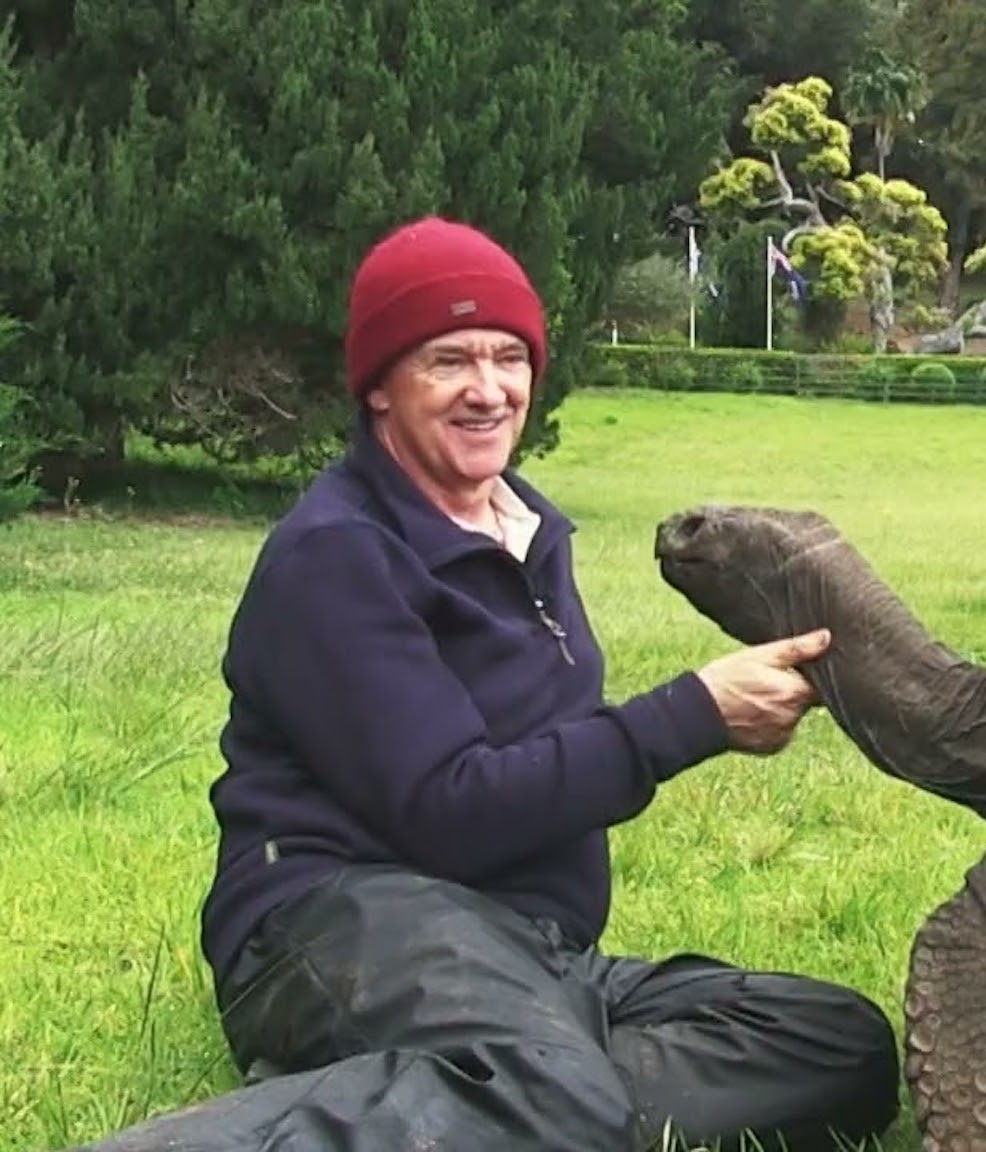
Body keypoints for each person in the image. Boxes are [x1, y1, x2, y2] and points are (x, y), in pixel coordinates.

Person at [78, 216, 902, 1152]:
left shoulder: (527, 533)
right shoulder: (337, 555)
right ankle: (515, 1094)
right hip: (342, 919)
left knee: (838, 1044)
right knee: (559, 1090)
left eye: (510, 357)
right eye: (448, 361)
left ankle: (476, 1095)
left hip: (527, 953)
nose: (489, 389)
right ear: (379, 387)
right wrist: (692, 716)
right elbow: (447, 809)